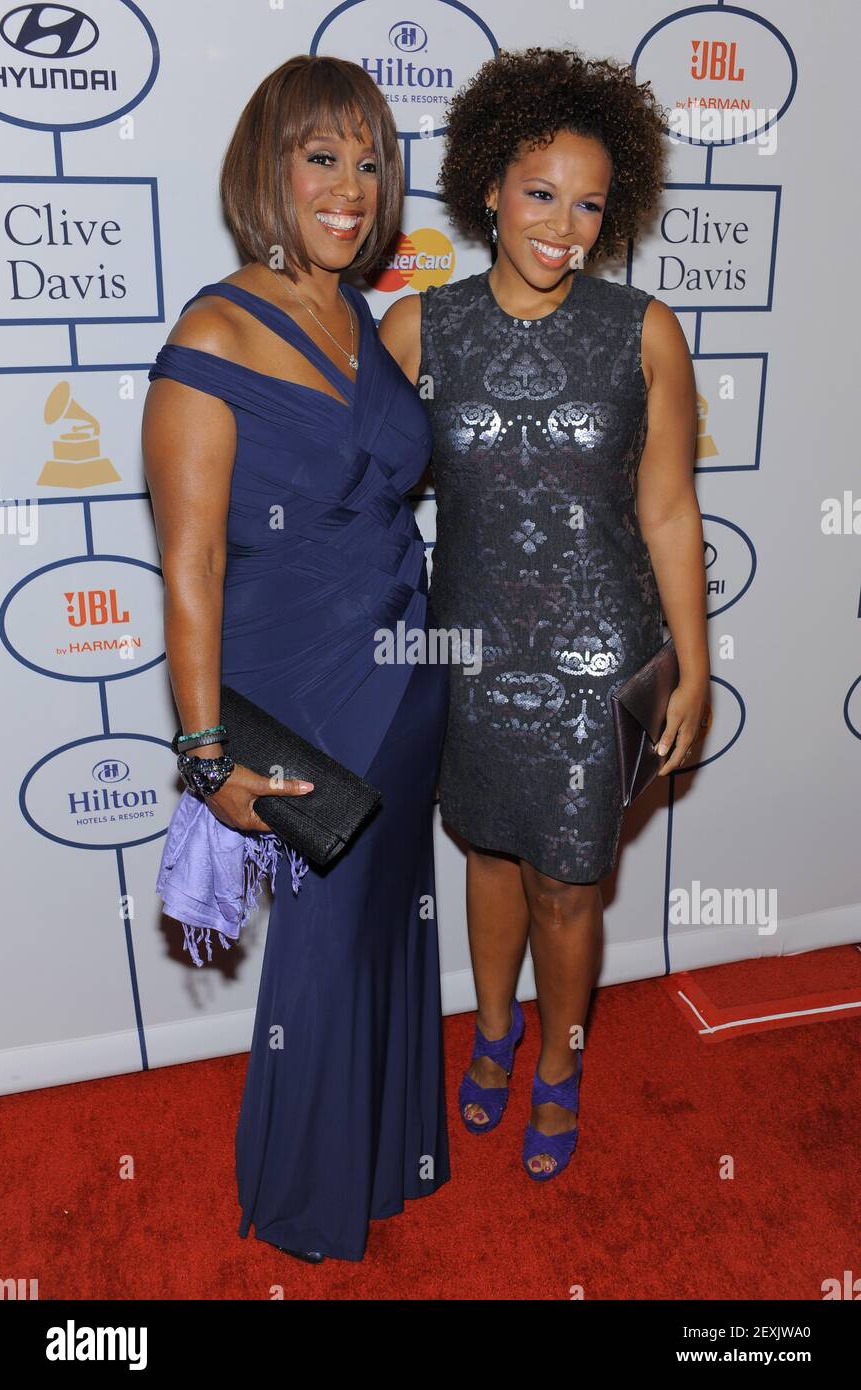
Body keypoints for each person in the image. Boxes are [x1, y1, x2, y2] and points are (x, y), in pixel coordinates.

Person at [380, 47, 709, 1181]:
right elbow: (359, 505)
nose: (563, 225)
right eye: (539, 193)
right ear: (486, 187)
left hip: (601, 655)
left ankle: (559, 1065)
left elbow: (668, 512)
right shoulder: (422, 333)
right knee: (485, 856)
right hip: (470, 651)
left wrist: (695, 668)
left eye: (588, 204)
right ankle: (492, 1035)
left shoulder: (642, 330)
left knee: (568, 883)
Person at [143, 54, 450, 1261]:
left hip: (407, 669)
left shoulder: (361, 315)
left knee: (387, 918)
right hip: (308, 684)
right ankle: (307, 1199)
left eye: (371, 163)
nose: (352, 188)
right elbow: (191, 568)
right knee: (325, 939)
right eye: (323, 157)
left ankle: (387, 1153)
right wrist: (206, 748)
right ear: (266, 168)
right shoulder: (210, 335)